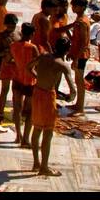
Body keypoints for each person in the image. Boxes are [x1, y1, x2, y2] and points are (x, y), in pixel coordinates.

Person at [28, 38, 74, 178]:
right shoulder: (62, 65)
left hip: (37, 92)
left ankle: (36, 162)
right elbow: (73, 90)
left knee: (36, 129)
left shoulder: (43, 56)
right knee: (47, 133)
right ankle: (44, 167)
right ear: (67, 50)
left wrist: (38, 77)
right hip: (48, 96)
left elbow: (28, 67)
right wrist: (69, 98)